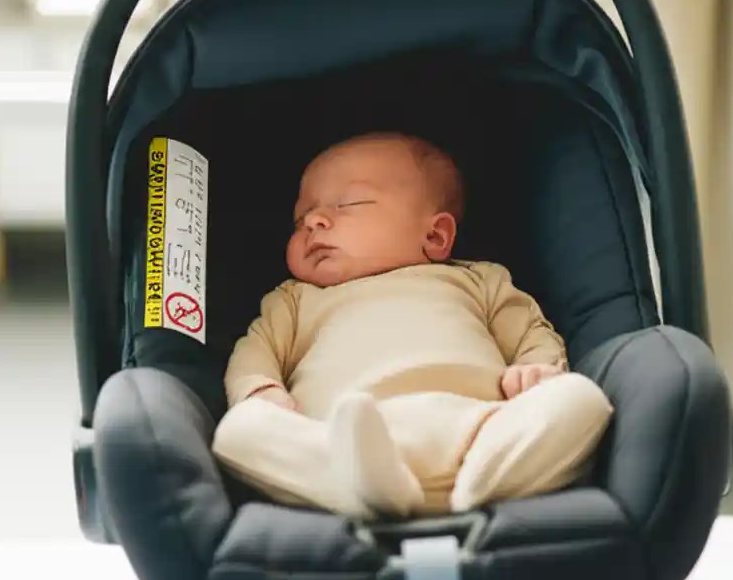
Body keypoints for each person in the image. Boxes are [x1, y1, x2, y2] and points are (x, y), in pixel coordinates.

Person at [211, 131, 613, 519]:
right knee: (238, 431)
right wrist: (262, 391)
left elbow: (530, 333)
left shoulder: (478, 280)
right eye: (300, 219)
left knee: (581, 398)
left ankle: (488, 482)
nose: (314, 220)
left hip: (480, 430)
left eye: (348, 204)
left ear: (435, 235)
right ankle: (360, 484)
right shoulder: (293, 300)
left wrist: (538, 371)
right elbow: (255, 353)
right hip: (341, 439)